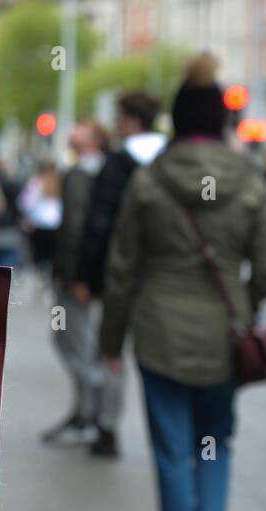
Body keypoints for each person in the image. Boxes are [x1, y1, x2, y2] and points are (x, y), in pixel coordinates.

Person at [100, 55, 266, 511]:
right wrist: (244, 312)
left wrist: (110, 340)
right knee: (215, 440)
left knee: (171, 449)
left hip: (159, 330)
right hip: (224, 333)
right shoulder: (248, 180)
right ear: (223, 122)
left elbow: (122, 266)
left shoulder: (151, 181)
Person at [74, 91, 167, 458]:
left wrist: (84, 276)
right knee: (160, 357)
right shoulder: (171, 160)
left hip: (119, 277)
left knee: (110, 352)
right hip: (164, 277)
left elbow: (97, 226)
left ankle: (107, 425)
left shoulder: (115, 165)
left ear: (129, 120)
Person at [43, 120, 109, 446]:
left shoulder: (81, 174)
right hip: (87, 276)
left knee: (74, 342)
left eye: (81, 127)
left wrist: (76, 276)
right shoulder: (99, 171)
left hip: (77, 279)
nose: (73, 132)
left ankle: (88, 415)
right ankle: (89, 412)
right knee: (78, 341)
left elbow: (77, 227)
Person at [19, 161, 63, 282]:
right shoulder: (60, 182)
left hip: (38, 224)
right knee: (51, 257)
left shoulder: (36, 182)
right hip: (56, 224)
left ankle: (39, 282)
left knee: (37, 258)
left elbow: (26, 203)